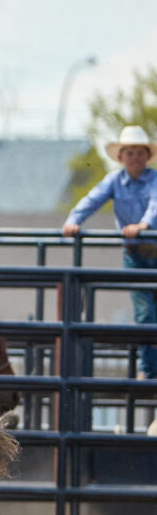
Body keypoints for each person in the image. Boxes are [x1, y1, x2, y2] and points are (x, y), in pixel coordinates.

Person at [63, 125, 157, 379]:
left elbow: (155, 205)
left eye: (140, 152)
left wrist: (143, 226)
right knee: (145, 312)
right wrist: (74, 220)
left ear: (147, 156)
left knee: (151, 312)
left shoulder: (155, 179)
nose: (135, 157)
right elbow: (92, 199)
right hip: (136, 254)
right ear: (120, 157)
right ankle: (150, 372)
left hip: (152, 249)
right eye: (130, 153)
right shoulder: (115, 181)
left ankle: (150, 368)